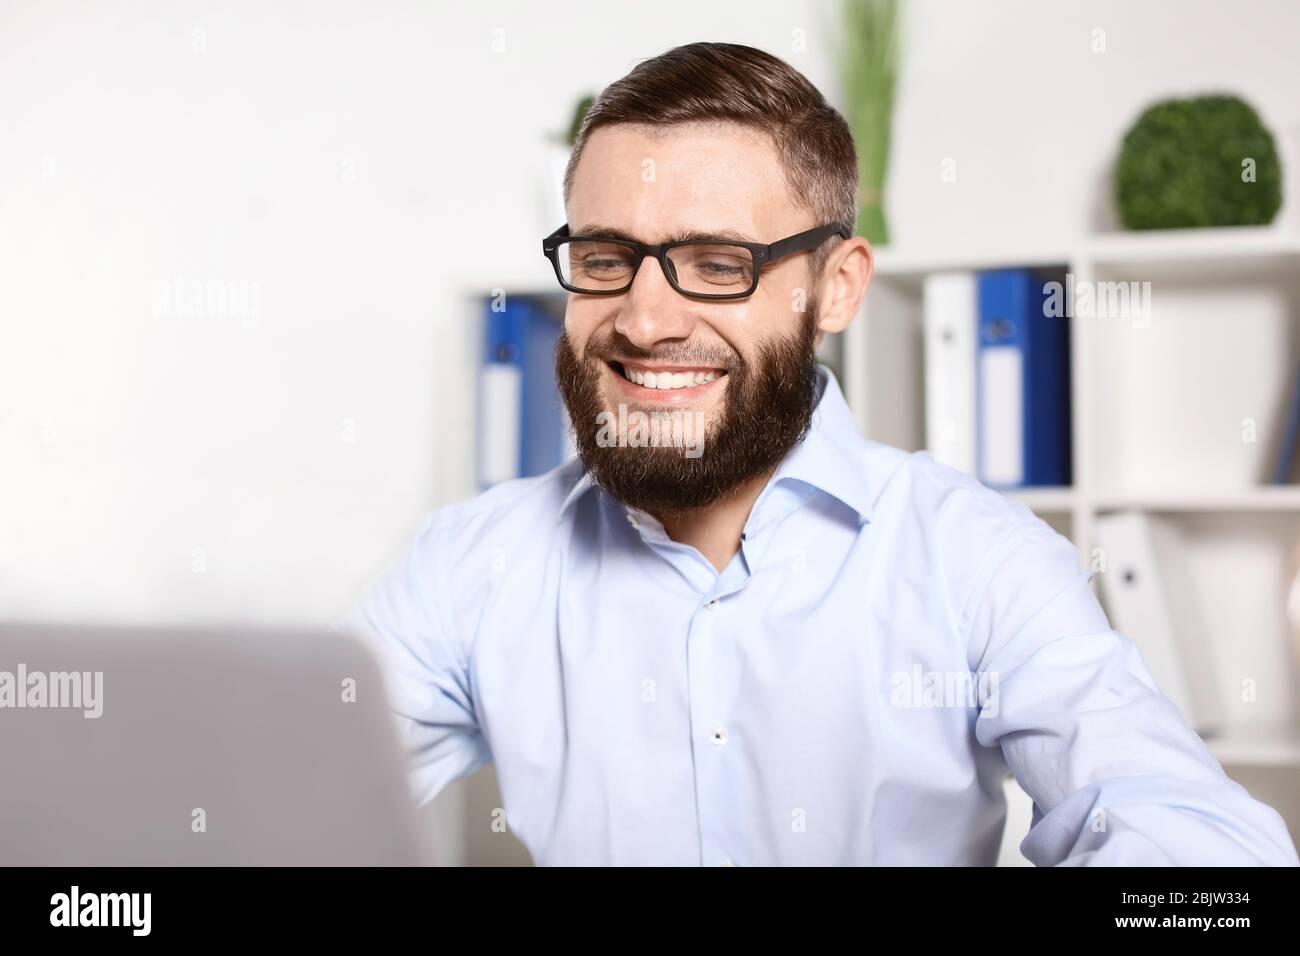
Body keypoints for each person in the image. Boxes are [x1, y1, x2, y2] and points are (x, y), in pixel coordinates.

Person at [343, 41, 1299, 866]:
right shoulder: (471, 566)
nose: (642, 319)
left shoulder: (975, 559)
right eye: (604, 258)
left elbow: (1208, 865)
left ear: (836, 290)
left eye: (718, 265)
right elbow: (274, 802)